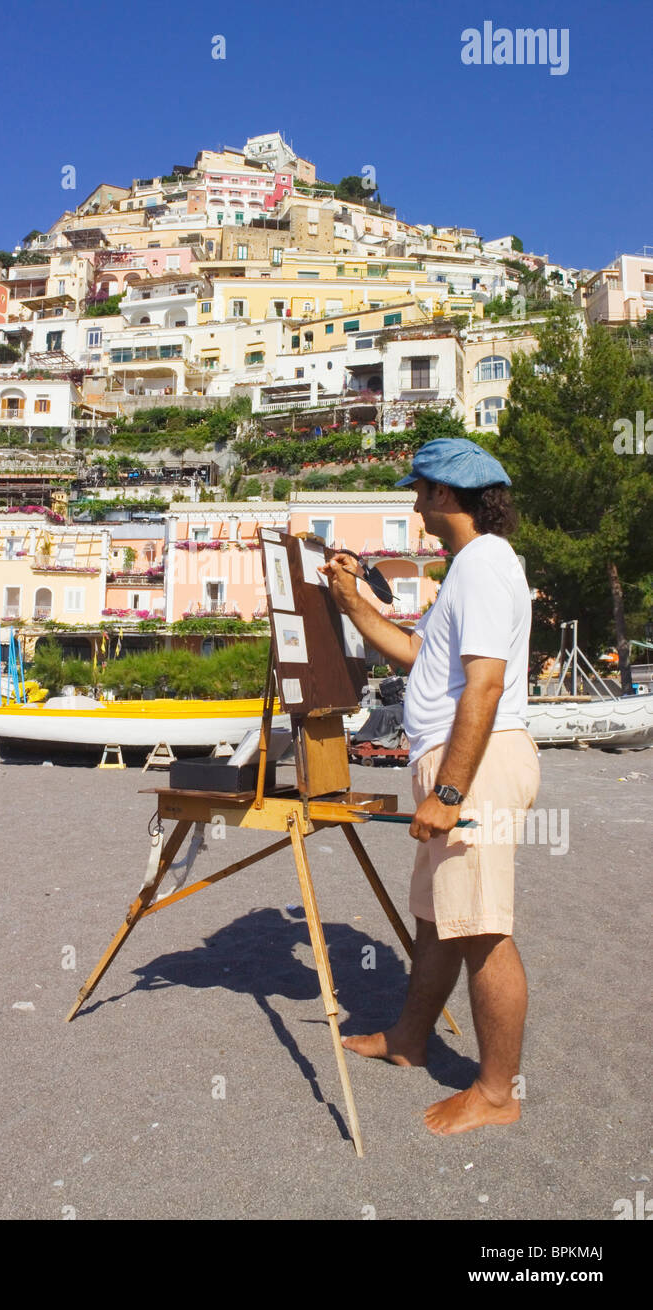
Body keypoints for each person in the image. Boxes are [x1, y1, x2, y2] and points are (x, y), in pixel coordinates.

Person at [321, 437, 540, 1136]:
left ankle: (497, 1093)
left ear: (446, 495)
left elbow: (485, 684)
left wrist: (448, 795)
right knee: (437, 917)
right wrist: (353, 602)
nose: (414, 503)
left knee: (480, 927)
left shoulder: (481, 566)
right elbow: (422, 657)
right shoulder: (473, 567)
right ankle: (410, 1040)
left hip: (472, 769)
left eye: (420, 491)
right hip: (458, 763)